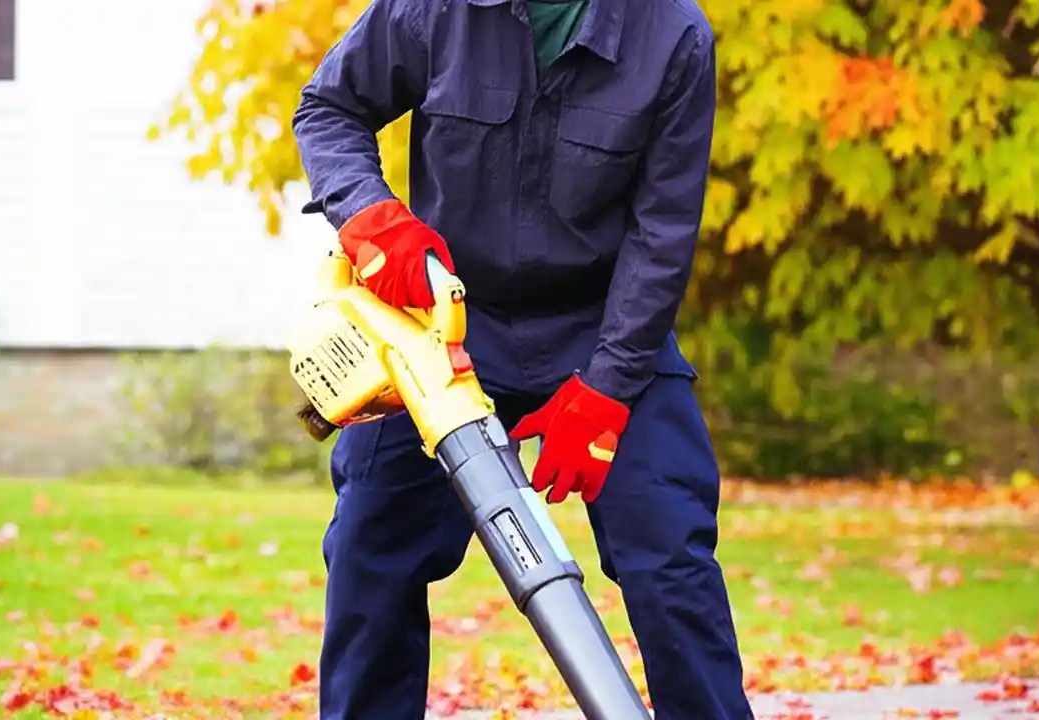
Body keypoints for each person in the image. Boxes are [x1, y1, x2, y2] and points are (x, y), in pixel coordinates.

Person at [292, 0, 753, 717]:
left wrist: (608, 387)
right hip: (441, 327)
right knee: (367, 552)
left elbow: (662, 233)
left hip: (601, 328)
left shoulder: (672, 34)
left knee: (671, 559)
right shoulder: (433, 9)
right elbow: (327, 108)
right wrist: (371, 217)